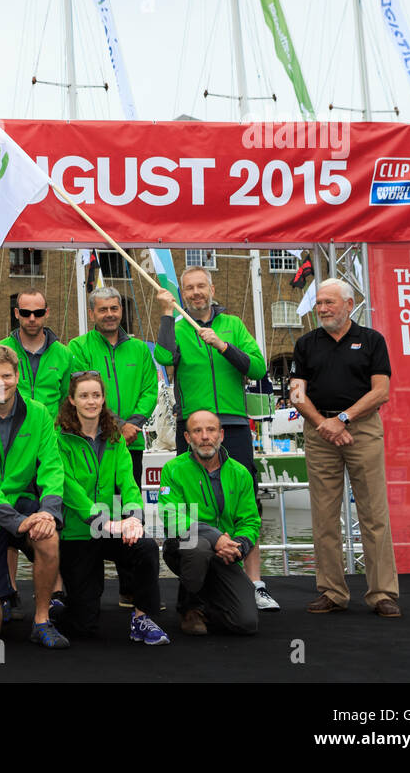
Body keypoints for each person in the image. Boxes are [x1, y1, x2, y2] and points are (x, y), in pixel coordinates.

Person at [153, 266, 278, 612]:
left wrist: (222, 345)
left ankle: (255, 583)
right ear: (183, 293)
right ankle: (197, 589)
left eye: (200, 286)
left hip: (233, 424)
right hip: (191, 425)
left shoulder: (233, 326)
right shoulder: (178, 327)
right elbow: (164, 358)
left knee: (245, 499)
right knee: (192, 501)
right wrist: (166, 314)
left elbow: (257, 368)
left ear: (212, 288)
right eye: (189, 288)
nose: (195, 293)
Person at [0, 345, 93, 649]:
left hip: (22, 503)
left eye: (6, 375)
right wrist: (18, 522)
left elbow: (52, 467)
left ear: (17, 376)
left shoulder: (39, 413)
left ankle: (41, 620)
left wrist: (48, 512)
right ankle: (2, 594)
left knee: (49, 536)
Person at [288, 278, 398, 617]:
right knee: (323, 515)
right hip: (320, 431)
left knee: (374, 513)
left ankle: (382, 593)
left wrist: (344, 419)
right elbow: (296, 393)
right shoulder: (306, 343)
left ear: (349, 305)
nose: (321, 309)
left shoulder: (371, 340)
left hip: (362, 429)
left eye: (329, 303)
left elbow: (381, 391)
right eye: (319, 303)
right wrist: (325, 424)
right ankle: (332, 591)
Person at [53, 372, 169, 646]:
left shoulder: (115, 439)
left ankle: (142, 618)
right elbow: (67, 488)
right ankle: (57, 605)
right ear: (72, 400)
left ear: (104, 399)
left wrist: (134, 519)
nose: (90, 401)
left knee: (146, 547)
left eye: (96, 395)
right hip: (78, 533)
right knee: (83, 626)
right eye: (84, 395)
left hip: (111, 528)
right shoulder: (59, 440)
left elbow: (128, 483)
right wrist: (101, 520)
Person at [64, 285, 158, 607]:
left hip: (131, 442)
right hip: (95, 439)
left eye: (114, 309)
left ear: (121, 310)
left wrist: (133, 424)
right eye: (102, 309)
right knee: (95, 507)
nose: (109, 314)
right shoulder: (78, 347)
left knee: (128, 513)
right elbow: (84, 391)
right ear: (92, 313)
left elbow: (150, 388)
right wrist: (114, 427)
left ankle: (132, 589)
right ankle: (85, 583)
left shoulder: (140, 350)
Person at [0, 288, 73, 619]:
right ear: (16, 313)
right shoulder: (1, 351)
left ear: (47, 313)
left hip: (48, 444)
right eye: (25, 313)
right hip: (11, 445)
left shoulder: (63, 354)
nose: (31, 319)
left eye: (38, 313)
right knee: (9, 517)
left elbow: (69, 398)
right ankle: (8, 590)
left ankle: (54, 589)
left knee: (50, 516)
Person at [158, 410, 259, 636]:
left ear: (221, 435)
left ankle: (209, 604)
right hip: (185, 547)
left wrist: (238, 546)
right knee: (198, 546)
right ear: (187, 438)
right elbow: (171, 516)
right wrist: (216, 538)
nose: (205, 436)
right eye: (197, 431)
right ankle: (190, 607)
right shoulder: (173, 470)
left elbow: (250, 521)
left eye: (211, 430)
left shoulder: (240, 473)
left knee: (246, 623)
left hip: (226, 552)